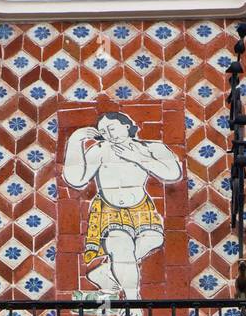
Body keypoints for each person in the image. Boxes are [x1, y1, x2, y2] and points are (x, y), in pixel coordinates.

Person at [62, 112, 182, 299]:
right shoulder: (101, 150)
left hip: (141, 207)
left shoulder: (152, 147)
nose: (109, 134)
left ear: (127, 125)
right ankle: (133, 299)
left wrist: (138, 158)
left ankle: (107, 272)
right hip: (109, 210)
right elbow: (76, 179)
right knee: (121, 247)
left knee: (154, 239)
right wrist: (76, 142)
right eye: (103, 131)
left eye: (111, 128)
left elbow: (173, 173)